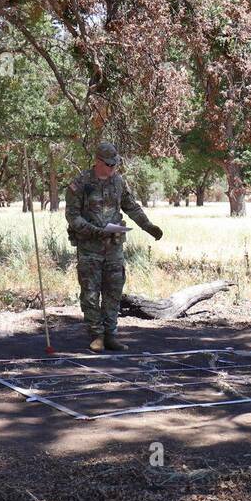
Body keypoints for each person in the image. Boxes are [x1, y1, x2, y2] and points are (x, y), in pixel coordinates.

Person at [65, 142, 164, 351]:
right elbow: (72, 216)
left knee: (113, 292)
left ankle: (110, 334)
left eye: (115, 165)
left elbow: (132, 207)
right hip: (89, 248)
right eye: (108, 164)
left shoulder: (118, 182)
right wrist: (93, 230)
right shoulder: (80, 183)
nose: (112, 169)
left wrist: (148, 226)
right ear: (98, 161)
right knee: (91, 293)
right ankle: (96, 335)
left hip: (114, 248)